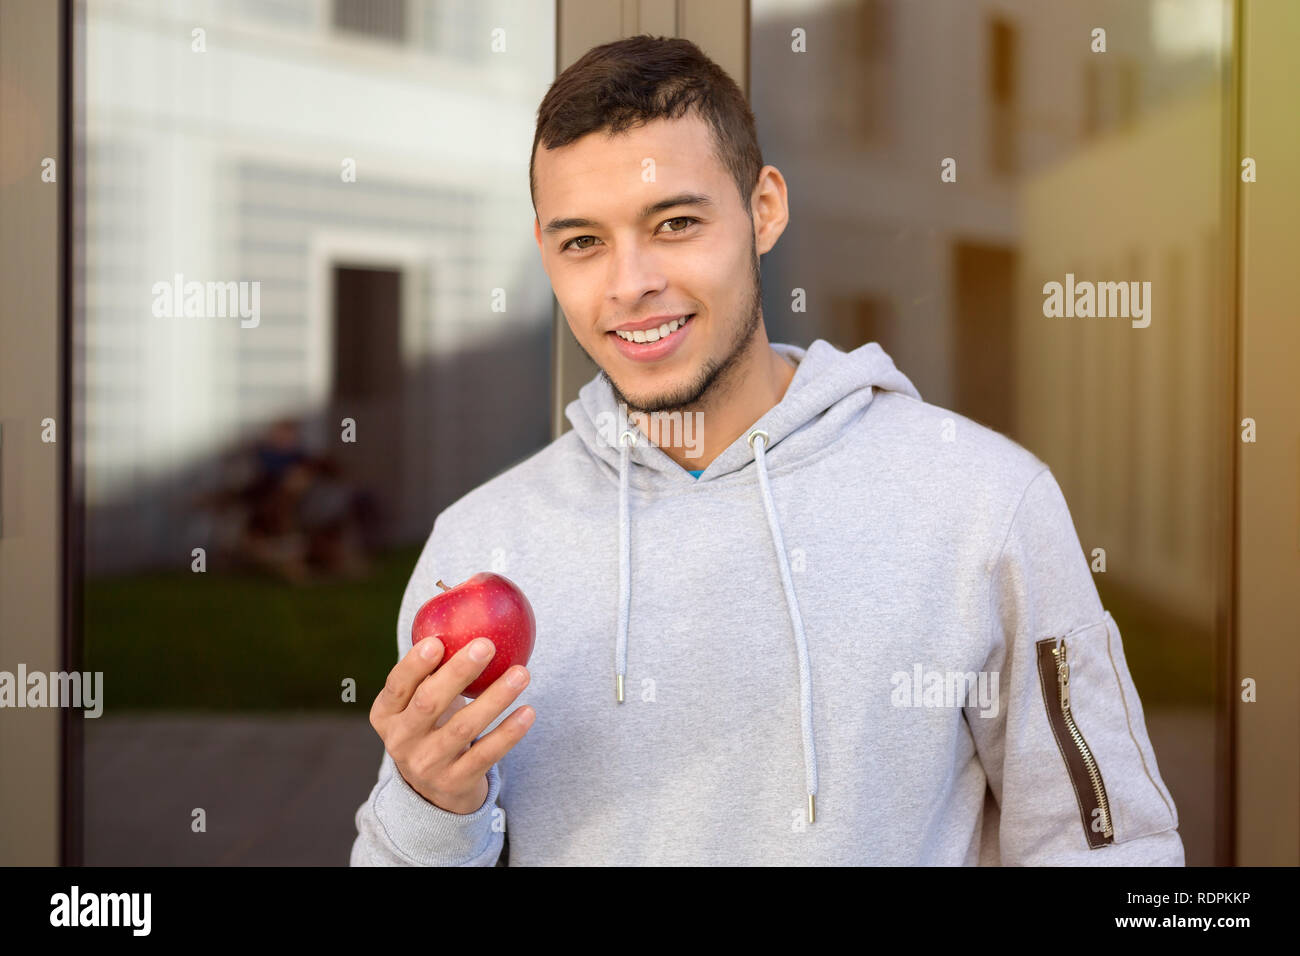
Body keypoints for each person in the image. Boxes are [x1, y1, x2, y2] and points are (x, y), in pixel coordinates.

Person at [351, 35, 1184, 866]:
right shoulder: (478, 546)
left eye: (675, 222)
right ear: (546, 254)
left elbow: (1107, 848)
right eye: (583, 243)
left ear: (765, 209)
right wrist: (431, 807)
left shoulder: (983, 502)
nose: (629, 282)